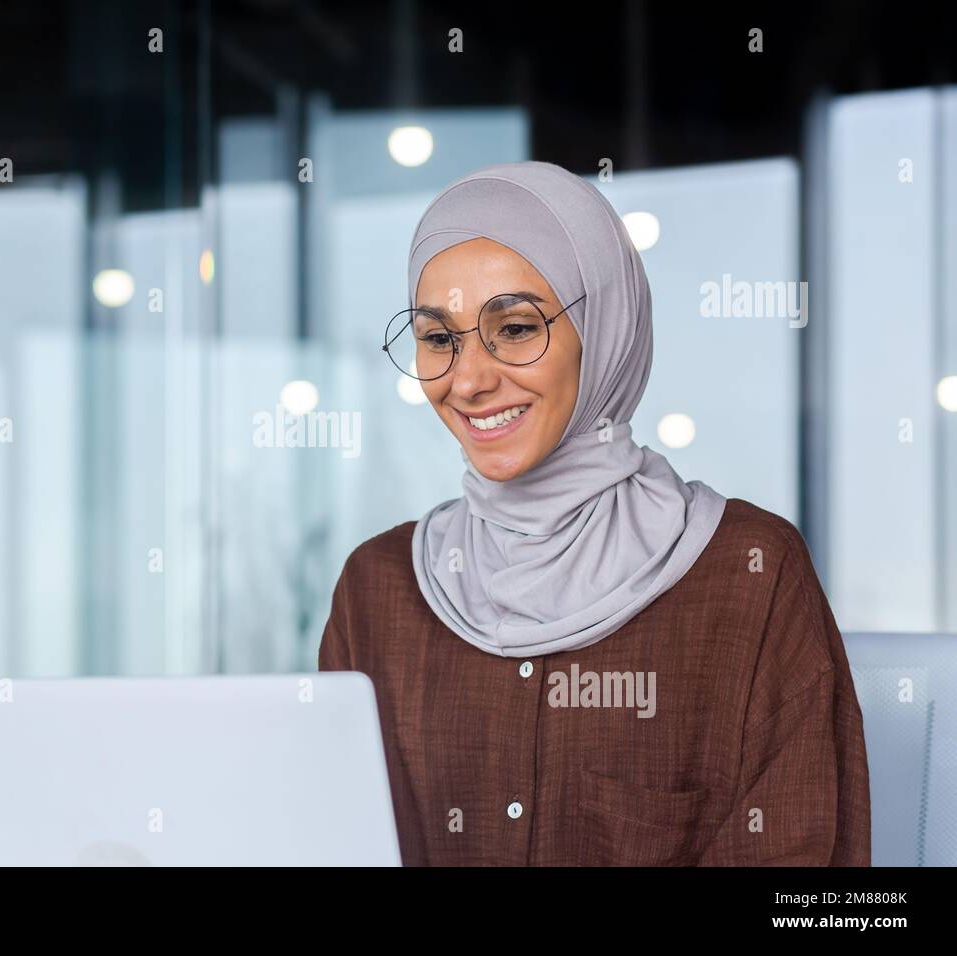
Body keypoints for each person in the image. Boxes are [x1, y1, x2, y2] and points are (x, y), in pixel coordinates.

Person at [318, 161, 871, 866]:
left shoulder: (748, 573)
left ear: (602, 328)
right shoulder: (378, 590)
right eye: (438, 339)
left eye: (514, 328)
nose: (469, 379)